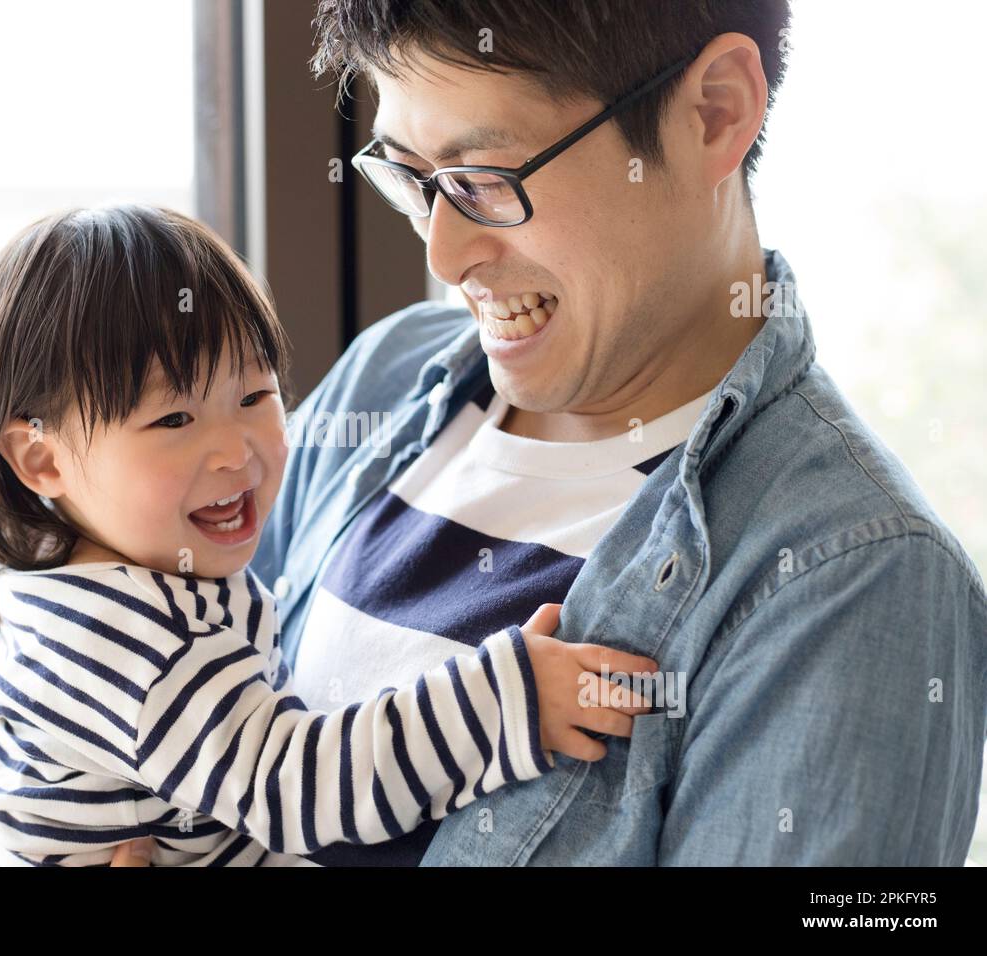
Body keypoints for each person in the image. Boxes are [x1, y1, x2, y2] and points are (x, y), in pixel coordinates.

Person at [231, 0, 985, 865]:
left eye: (483, 179)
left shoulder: (854, 579)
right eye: (410, 176)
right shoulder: (389, 374)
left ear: (716, 112)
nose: (444, 255)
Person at [0, 204, 657, 866]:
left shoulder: (110, 576)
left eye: (255, 397)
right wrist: (509, 699)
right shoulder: (122, 633)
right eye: (173, 421)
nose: (236, 451)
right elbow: (293, 785)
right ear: (42, 459)